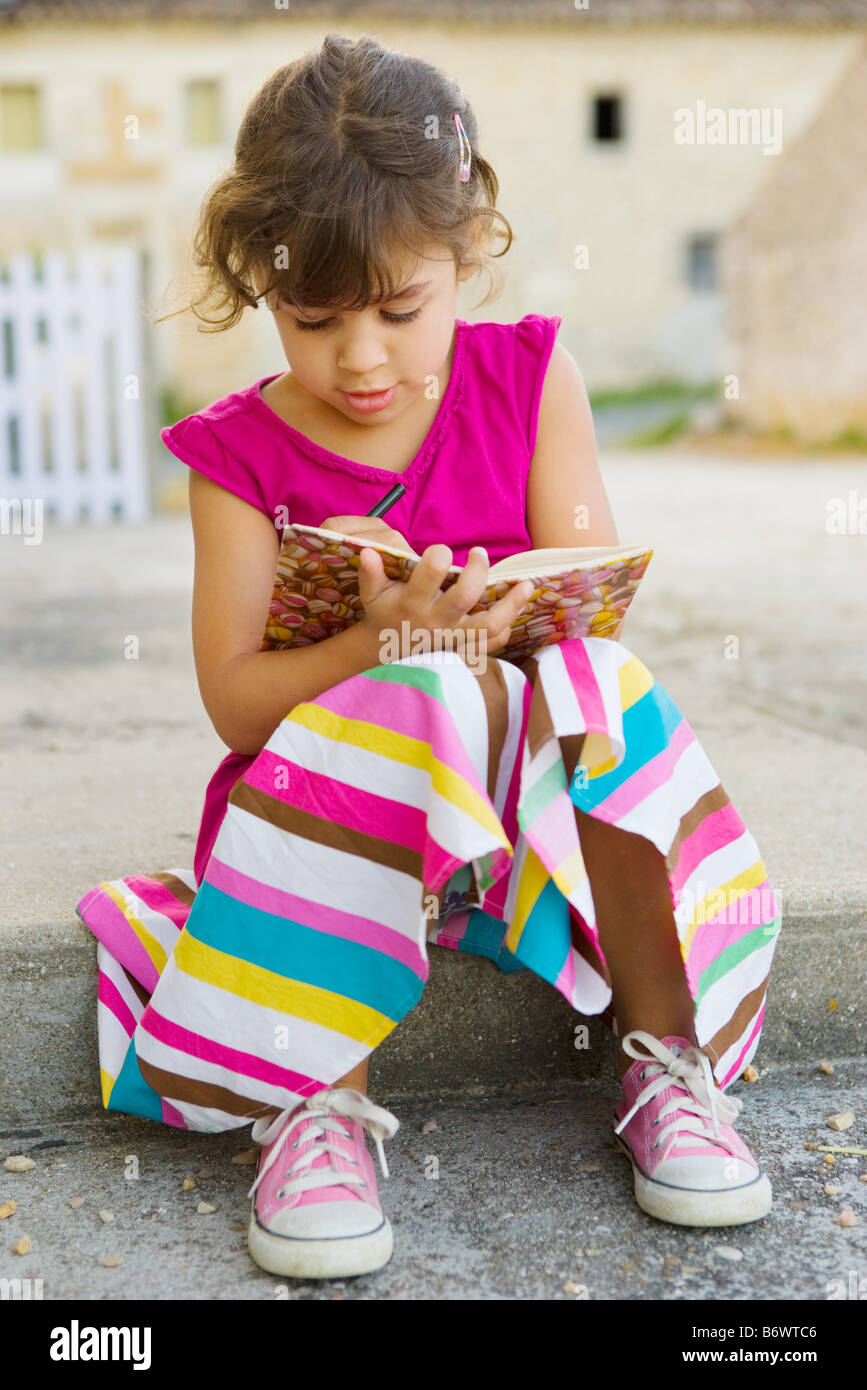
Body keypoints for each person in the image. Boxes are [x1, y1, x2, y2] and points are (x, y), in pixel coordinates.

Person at [75, 33, 780, 1282]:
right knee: (407, 690)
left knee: (596, 684)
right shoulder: (236, 461)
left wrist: (490, 631)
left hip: (523, 835)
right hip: (331, 821)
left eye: (401, 311)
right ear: (263, 287)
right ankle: (314, 1101)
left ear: (466, 257)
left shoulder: (530, 376)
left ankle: (663, 1059)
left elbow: (588, 604)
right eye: (315, 316)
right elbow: (236, 708)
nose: (361, 357)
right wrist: (377, 641)